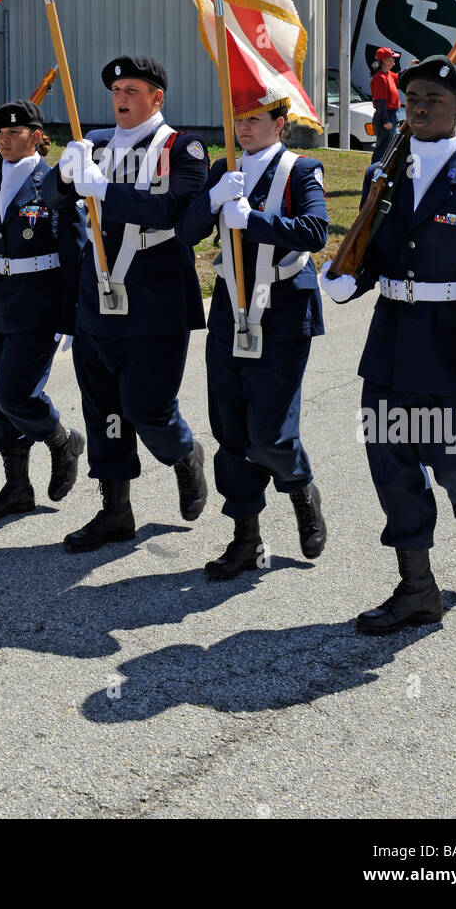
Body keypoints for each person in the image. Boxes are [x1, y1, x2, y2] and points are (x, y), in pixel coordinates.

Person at [320, 56, 456, 633]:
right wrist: (345, 282)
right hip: (390, 343)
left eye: (435, 98)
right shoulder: (384, 174)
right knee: (392, 463)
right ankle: (417, 588)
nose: (421, 107)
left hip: (452, 350)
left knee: (454, 463)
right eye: (412, 99)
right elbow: (371, 253)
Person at [41, 55, 210, 551]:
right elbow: (51, 196)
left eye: (133, 90)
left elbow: (176, 210)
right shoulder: (92, 143)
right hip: (97, 297)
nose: (121, 97)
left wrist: (103, 190)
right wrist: (66, 174)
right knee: (104, 409)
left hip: (156, 298)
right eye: (116, 90)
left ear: (158, 97)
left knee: (148, 407)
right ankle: (115, 510)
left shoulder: (184, 147)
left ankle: (184, 455)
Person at [176, 95, 329, 579]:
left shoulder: (302, 170)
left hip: (283, 308)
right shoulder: (225, 167)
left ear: (279, 125)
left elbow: (316, 230)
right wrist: (213, 199)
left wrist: (255, 221)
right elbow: (185, 232)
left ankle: (300, 487)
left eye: (254, 120)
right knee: (230, 429)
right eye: (238, 119)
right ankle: (246, 537)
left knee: (270, 433)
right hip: (230, 308)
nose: (243, 128)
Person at [0, 100, 87, 519]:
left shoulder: (53, 184)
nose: (5, 140)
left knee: (16, 394)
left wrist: (69, 316)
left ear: (36, 136)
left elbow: (75, 251)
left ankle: (62, 441)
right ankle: (17, 488)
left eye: (14, 133)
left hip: (37, 300)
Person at [369, 47, 401, 162]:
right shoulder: (380, 78)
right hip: (387, 116)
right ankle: (375, 171)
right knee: (383, 149)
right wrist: (385, 120)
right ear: (385, 60)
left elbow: (399, 76)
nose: (394, 60)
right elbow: (380, 102)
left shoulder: (389, 74)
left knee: (388, 148)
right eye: (392, 58)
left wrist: (412, 67)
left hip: (391, 115)